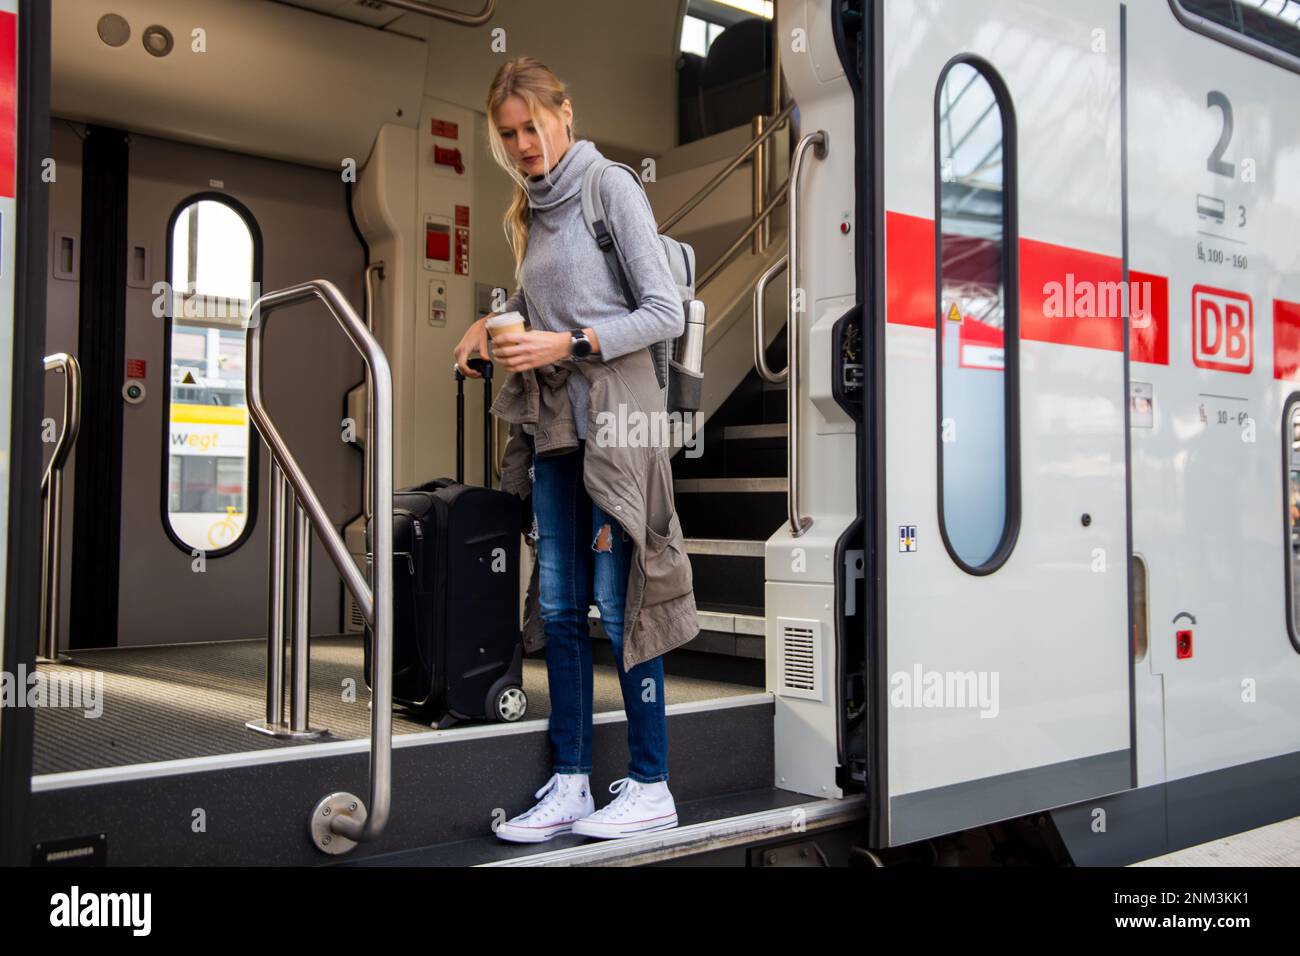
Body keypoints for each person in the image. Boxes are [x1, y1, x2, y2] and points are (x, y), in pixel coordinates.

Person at [454, 57, 688, 842]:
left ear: (565, 112)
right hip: (556, 432)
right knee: (557, 610)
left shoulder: (607, 186)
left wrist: (573, 341)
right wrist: (491, 325)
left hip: (616, 430)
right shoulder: (531, 208)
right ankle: (571, 781)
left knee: (623, 607)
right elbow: (540, 301)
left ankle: (653, 782)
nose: (523, 143)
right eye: (509, 133)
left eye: (533, 126)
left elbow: (664, 311)